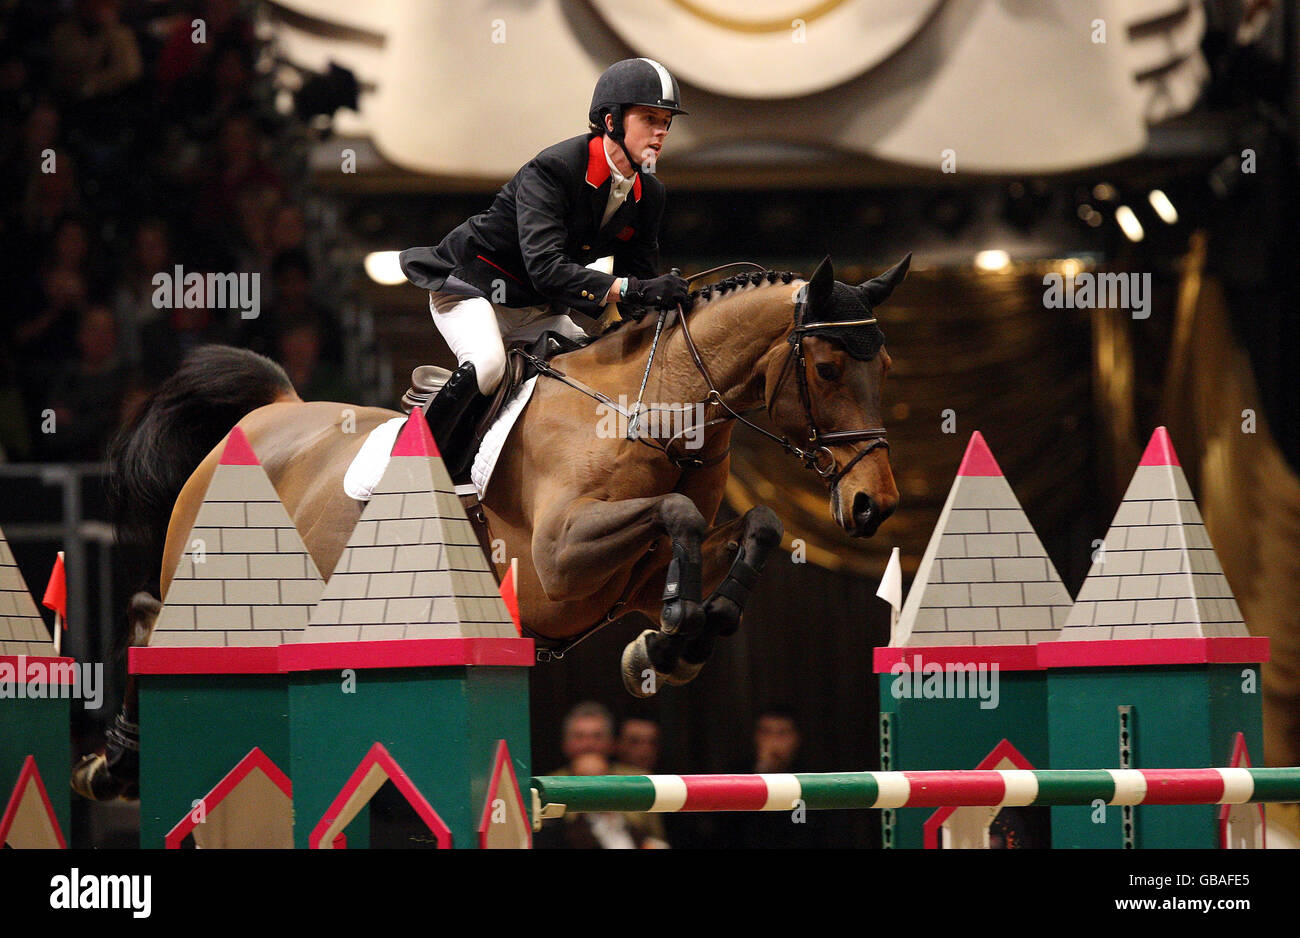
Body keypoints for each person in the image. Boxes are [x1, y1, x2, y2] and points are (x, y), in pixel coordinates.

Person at [398, 58, 692, 479]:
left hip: (540, 308)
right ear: (610, 121)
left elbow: (638, 287)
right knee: (487, 365)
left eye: (666, 121)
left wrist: (667, 312)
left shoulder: (649, 193)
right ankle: (416, 472)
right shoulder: (554, 169)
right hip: (472, 288)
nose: (661, 131)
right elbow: (546, 267)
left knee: (598, 376)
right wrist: (631, 290)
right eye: (649, 118)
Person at [534, 702, 668, 849]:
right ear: (565, 743)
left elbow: (656, 837)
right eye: (580, 736)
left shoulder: (639, 780)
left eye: (597, 736)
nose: (588, 743)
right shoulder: (547, 785)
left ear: (612, 742)